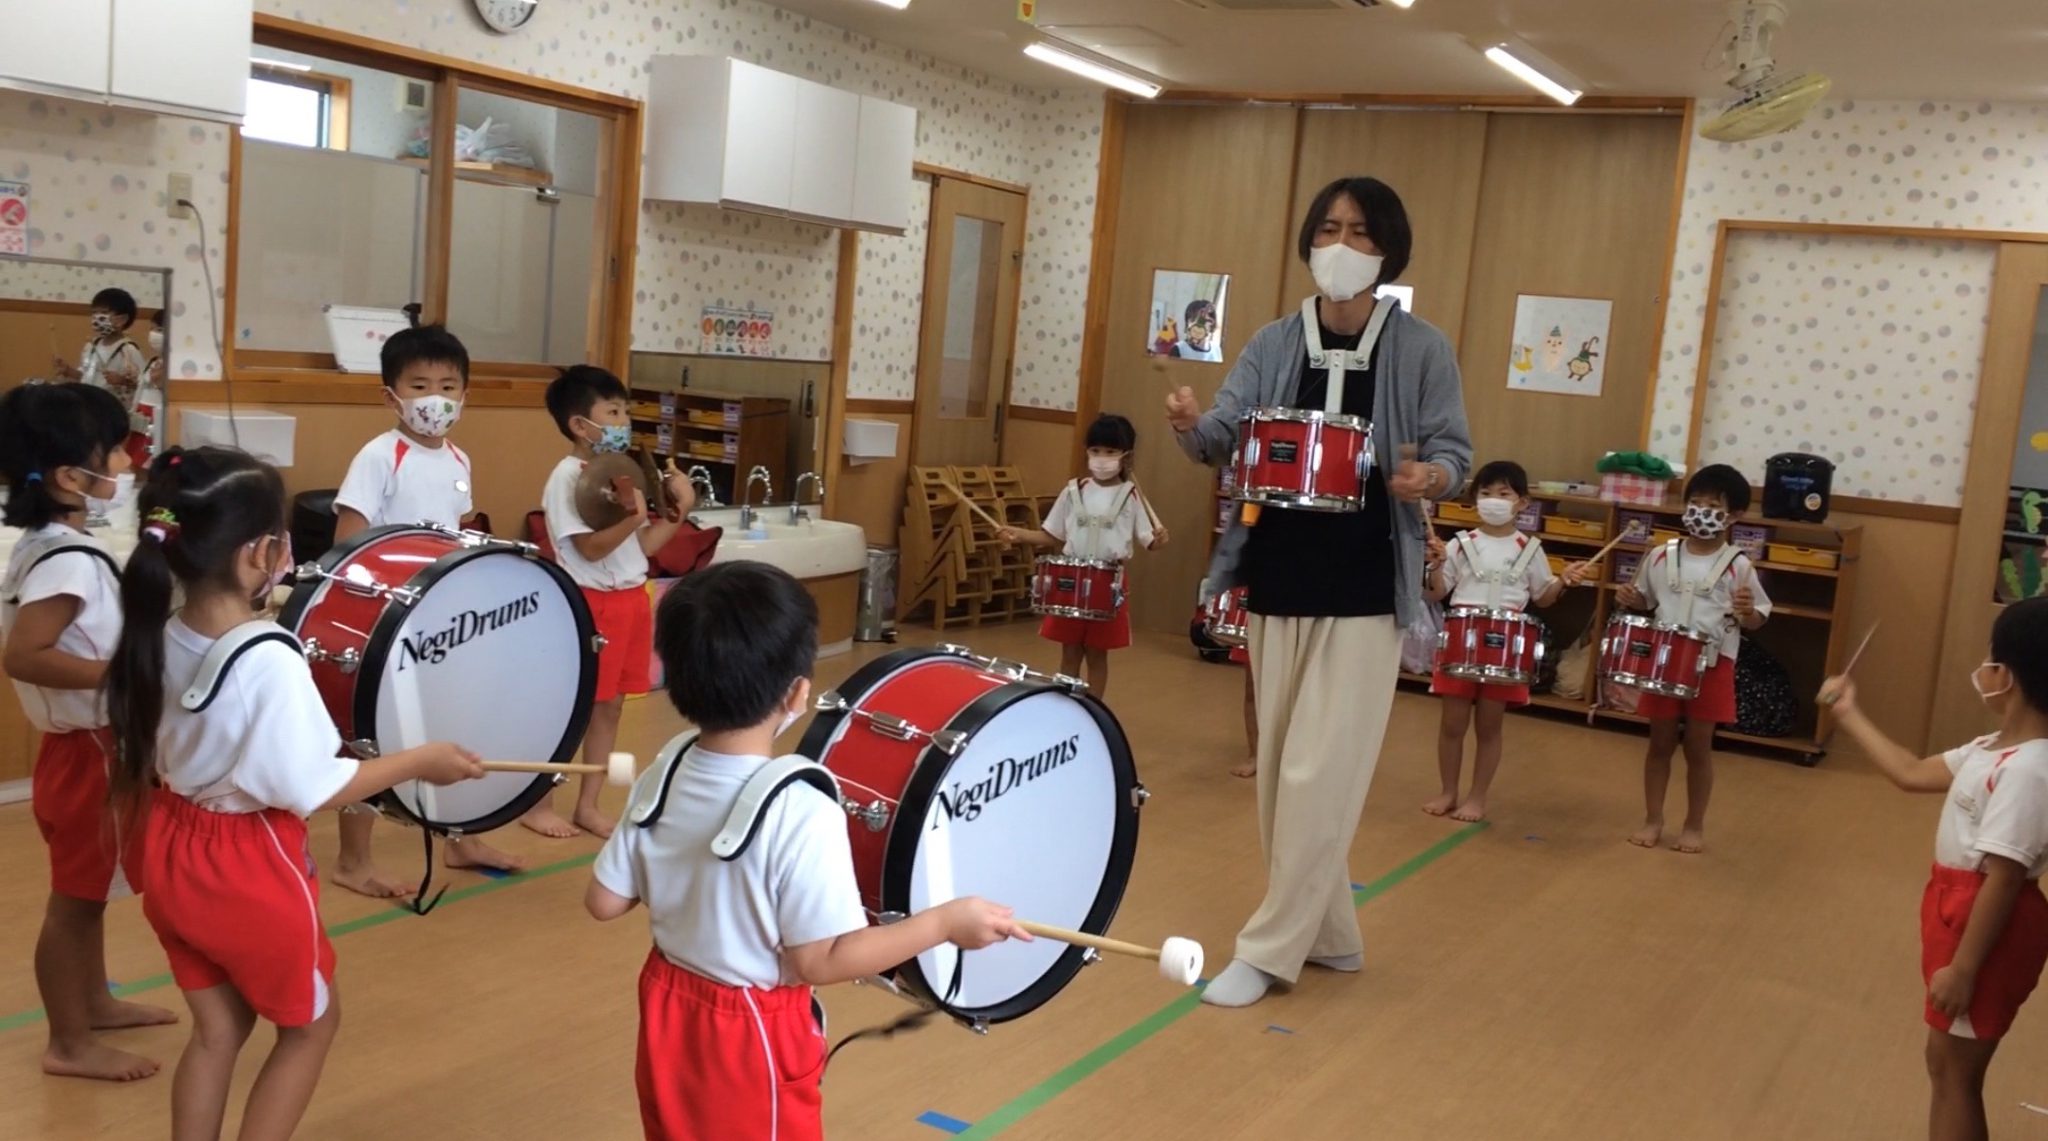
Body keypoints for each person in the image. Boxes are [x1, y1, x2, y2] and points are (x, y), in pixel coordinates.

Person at [102, 446, 483, 1140]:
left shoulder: (159, 632)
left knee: (217, 1030)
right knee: (311, 1026)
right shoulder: (269, 659)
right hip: (246, 868)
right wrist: (419, 759)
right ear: (258, 555)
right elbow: (315, 787)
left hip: (172, 850)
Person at [1165, 175, 1471, 1008]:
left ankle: (1268, 949)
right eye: (1329, 227)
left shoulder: (1422, 348)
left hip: (1369, 582)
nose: (1341, 244)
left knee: (1316, 771)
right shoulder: (1272, 342)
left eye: (1361, 231)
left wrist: (1428, 476)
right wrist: (1194, 424)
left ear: (1388, 250)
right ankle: (1332, 932)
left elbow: (1456, 450)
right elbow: (1226, 434)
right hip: (1280, 574)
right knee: (1282, 773)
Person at [586, 561, 1024, 1141]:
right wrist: (943, 922)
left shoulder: (666, 766)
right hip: (748, 1033)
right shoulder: (801, 804)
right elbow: (822, 961)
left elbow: (604, 901)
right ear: (797, 692)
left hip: (667, 1007)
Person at [1819, 598, 2048, 1141]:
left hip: (1987, 921)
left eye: (1988, 660)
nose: (1983, 670)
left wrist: (1964, 969)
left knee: (1955, 1072)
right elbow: (1909, 771)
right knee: (1945, 1062)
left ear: (2006, 676)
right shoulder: (1992, 748)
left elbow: (2005, 877)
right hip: (1958, 909)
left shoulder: (2031, 769)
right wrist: (1848, 712)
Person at [0, 383, 173, 1082]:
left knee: (92, 888)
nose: (127, 466)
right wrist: (119, 674)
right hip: (88, 755)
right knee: (73, 902)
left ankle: (94, 1001)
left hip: (95, 751)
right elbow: (24, 653)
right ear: (73, 477)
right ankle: (67, 1041)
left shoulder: (55, 541)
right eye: (115, 454)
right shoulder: (67, 559)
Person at [328, 325, 521, 895]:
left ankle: (461, 838)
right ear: (391, 396)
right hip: (383, 617)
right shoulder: (378, 456)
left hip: (442, 615)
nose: (435, 398)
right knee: (367, 734)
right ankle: (352, 859)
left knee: (454, 724)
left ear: (464, 395)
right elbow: (348, 544)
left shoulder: (459, 456)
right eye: (419, 385)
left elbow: (456, 533)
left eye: (448, 384)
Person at [535, 365, 693, 838]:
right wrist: (634, 516)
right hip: (587, 603)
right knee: (571, 706)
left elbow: (644, 547)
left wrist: (682, 509)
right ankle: (539, 803)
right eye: (613, 412)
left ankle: (588, 803)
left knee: (611, 707)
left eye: (625, 411)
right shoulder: (566, 478)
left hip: (631, 600)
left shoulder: (625, 472)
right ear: (580, 425)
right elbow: (589, 548)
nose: (624, 421)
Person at [1614, 463, 1770, 855]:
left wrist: (1748, 610)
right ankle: (1653, 819)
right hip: (1665, 662)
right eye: (1695, 502)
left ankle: (1694, 824)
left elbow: (1755, 618)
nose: (1701, 511)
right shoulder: (1661, 555)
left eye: (1712, 505)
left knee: (1699, 746)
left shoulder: (1739, 564)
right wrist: (1631, 600)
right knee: (1659, 743)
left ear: (1733, 516)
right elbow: (1645, 600)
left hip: (1714, 663)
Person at [1420, 459, 1586, 823]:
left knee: (1489, 725)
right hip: (1461, 638)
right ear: (1474, 499)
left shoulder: (1531, 548)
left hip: (1505, 646)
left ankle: (1477, 798)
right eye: (1485, 493)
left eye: (1503, 493)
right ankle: (1448, 791)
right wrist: (1433, 566)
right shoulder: (1460, 545)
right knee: (1452, 723)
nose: (1493, 499)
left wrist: (1564, 582)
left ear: (1522, 503)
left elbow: (1542, 597)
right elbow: (1436, 594)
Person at [998, 413, 1166, 700]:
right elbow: (1053, 535)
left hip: (1109, 581)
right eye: (1095, 450)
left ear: (1126, 456)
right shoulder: (1073, 491)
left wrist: (1162, 539)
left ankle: (1094, 710)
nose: (1102, 458)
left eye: (1110, 451)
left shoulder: (1131, 496)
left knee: (1097, 654)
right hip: (1070, 579)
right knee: (1070, 650)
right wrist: (1019, 534)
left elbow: (1151, 541)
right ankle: (1067, 706)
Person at [53, 288, 146, 409]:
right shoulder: (91, 346)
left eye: (104, 313)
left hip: (112, 410)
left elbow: (142, 384)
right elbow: (86, 376)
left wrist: (122, 380)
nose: (97, 318)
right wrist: (69, 371)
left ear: (122, 319)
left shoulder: (129, 350)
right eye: (94, 313)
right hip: (88, 405)